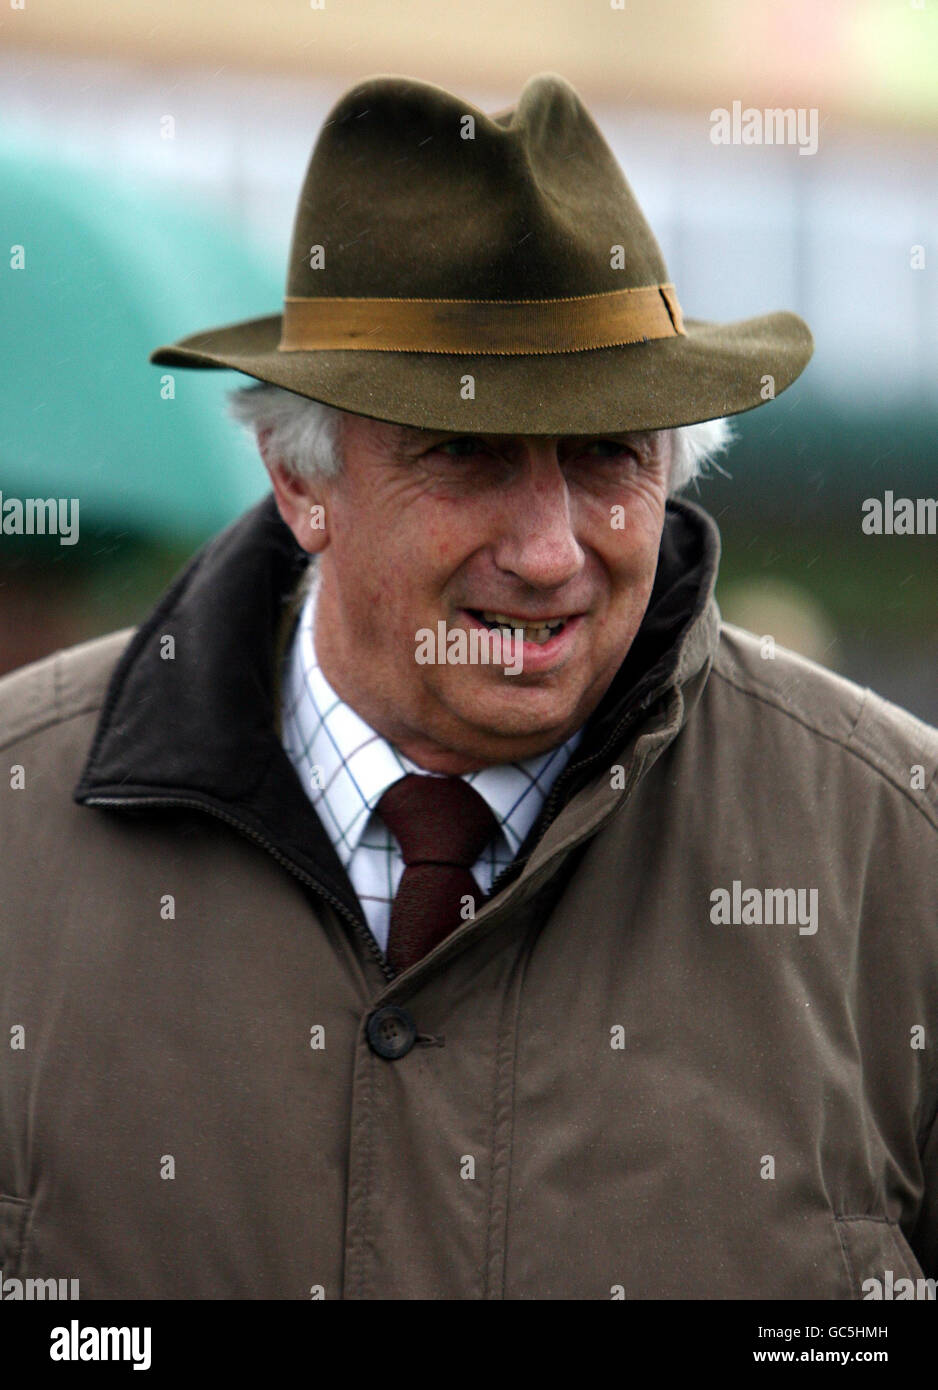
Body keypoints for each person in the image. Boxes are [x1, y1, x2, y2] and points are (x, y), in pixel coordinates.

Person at [1, 71, 936, 1302]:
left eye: (608, 452)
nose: (550, 550)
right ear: (299, 481)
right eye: (466, 454)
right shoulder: (22, 823)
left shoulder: (895, 851)